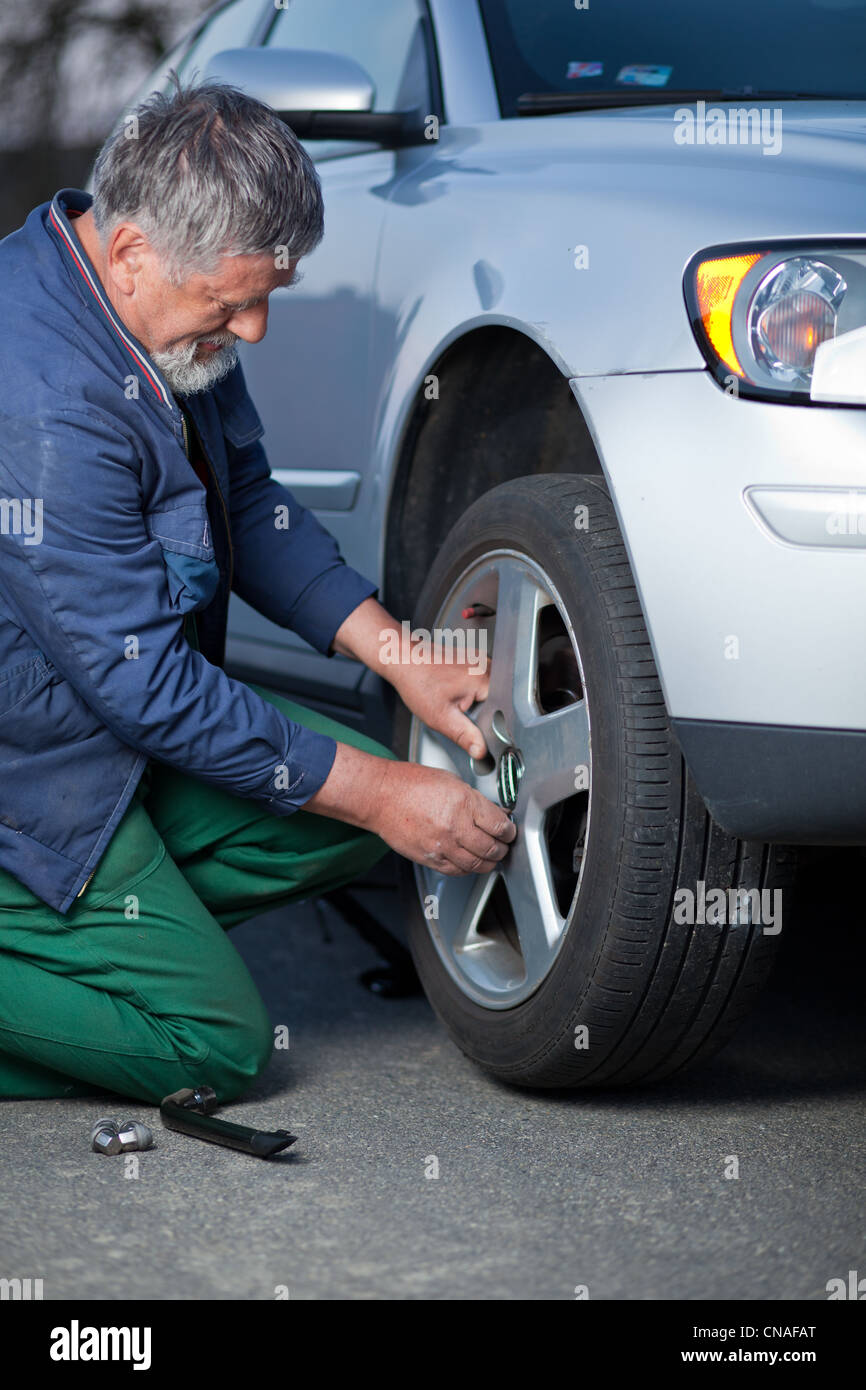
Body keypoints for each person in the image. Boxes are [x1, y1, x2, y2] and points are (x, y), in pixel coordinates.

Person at [0, 76, 514, 1104]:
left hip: (96, 740)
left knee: (348, 802)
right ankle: (60, 938)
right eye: (235, 303)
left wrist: (396, 651)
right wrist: (381, 797)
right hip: (30, 781)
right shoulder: (48, 404)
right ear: (136, 252)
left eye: (268, 293)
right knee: (219, 1042)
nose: (256, 330)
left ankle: (110, 940)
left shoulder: (159, 319)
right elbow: (142, 686)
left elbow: (249, 501)